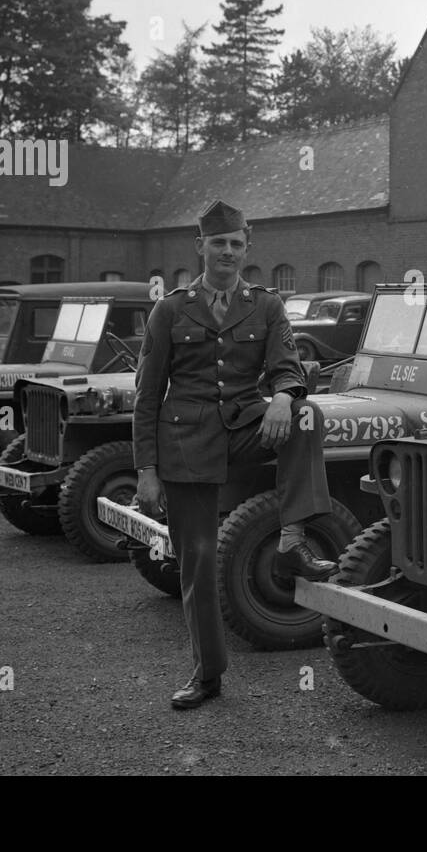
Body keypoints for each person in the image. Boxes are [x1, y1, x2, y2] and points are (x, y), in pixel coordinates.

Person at [133, 199, 338, 710]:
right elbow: (146, 396)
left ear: (248, 248)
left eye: (236, 244)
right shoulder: (170, 309)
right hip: (185, 443)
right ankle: (207, 675)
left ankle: (291, 540)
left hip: (247, 426)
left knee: (307, 417)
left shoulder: (266, 306)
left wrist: (285, 399)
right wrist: (146, 472)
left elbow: (287, 367)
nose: (227, 252)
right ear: (200, 247)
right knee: (198, 561)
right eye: (218, 243)